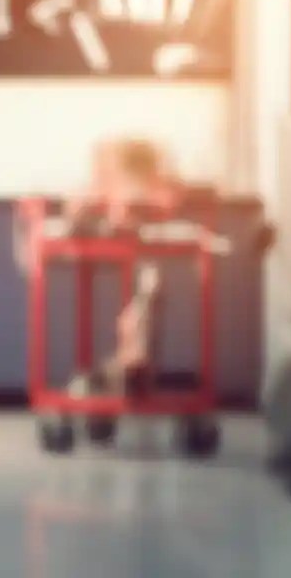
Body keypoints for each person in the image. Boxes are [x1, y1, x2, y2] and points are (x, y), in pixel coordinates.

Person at [63, 138, 182, 395]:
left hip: (142, 258)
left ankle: (133, 362)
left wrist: (144, 205)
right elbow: (74, 214)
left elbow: (167, 201)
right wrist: (92, 209)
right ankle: (125, 364)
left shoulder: (155, 187)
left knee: (149, 291)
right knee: (142, 296)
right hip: (109, 251)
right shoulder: (98, 188)